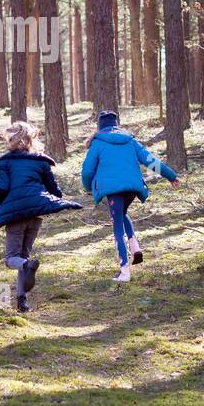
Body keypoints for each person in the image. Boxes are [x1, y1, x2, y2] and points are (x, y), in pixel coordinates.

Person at [0, 121, 82, 313]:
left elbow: (4, 188)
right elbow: (55, 191)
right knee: (23, 257)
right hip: (36, 214)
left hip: (16, 215)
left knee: (13, 259)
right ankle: (22, 302)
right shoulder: (40, 161)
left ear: (10, 139)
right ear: (30, 139)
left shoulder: (5, 162)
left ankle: (27, 268)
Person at [80, 111, 181, 283]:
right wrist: (170, 176)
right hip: (132, 188)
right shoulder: (130, 140)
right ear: (116, 124)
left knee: (117, 226)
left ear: (100, 127)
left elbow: (87, 170)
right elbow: (150, 160)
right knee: (121, 213)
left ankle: (124, 271)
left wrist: (88, 187)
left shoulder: (97, 143)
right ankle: (135, 247)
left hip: (113, 190)